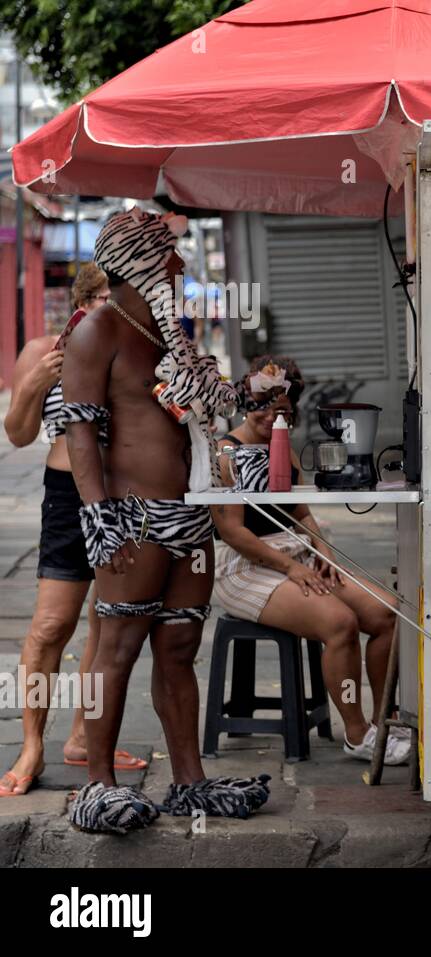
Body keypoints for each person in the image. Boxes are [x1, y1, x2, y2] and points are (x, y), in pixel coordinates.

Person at [61, 209, 270, 834]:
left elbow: (198, 410)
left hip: (190, 513)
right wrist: (99, 517)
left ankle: (189, 782)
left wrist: (251, 390)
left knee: (179, 647)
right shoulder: (97, 329)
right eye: (169, 255)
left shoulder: (164, 329)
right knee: (117, 647)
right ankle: (98, 784)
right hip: (133, 516)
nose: (179, 264)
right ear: (140, 263)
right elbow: (78, 433)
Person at [209, 357, 408, 765]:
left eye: (280, 409)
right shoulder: (226, 454)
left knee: (386, 614)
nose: (270, 416)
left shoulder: (284, 448)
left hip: (296, 552)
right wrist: (292, 569)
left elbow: (302, 514)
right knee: (339, 622)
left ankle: (382, 722)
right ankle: (355, 734)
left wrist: (324, 555)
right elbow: (233, 531)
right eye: (262, 405)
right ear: (246, 402)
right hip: (243, 566)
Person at [0, 265, 149, 797]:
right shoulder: (45, 349)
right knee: (48, 627)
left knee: (106, 625)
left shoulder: (135, 351)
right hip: (67, 497)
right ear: (85, 301)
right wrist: (34, 386)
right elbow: (17, 435)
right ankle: (32, 745)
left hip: (125, 497)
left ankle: (83, 737)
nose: (115, 312)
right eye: (106, 301)